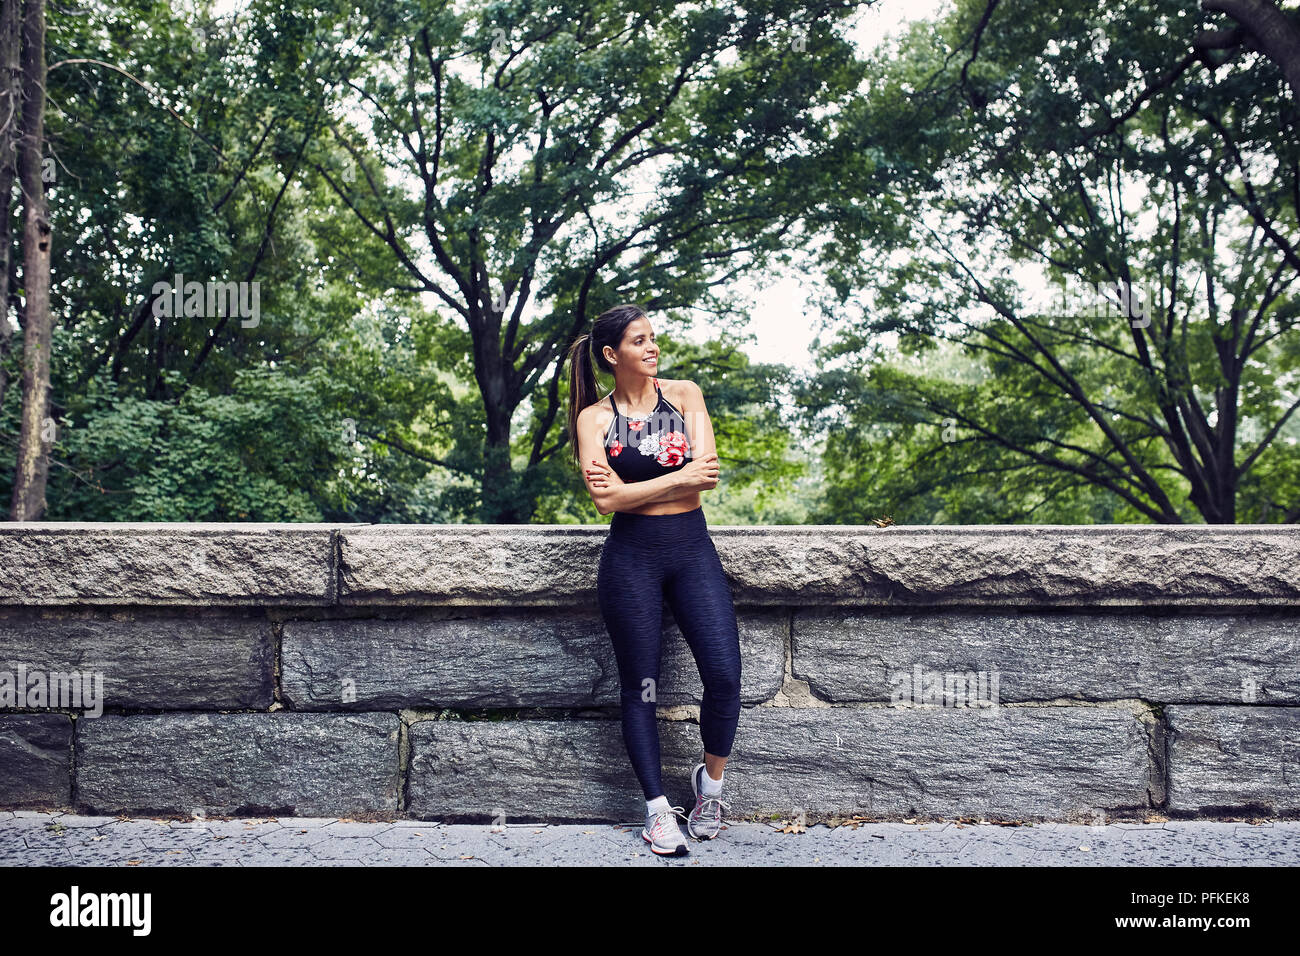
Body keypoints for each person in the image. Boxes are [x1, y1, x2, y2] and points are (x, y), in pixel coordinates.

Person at [564, 303, 742, 857]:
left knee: (725, 674)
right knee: (640, 686)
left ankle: (709, 789)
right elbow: (604, 501)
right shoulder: (595, 418)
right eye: (639, 342)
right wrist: (677, 475)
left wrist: (635, 488)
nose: (652, 348)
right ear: (613, 355)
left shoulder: (684, 395)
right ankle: (657, 811)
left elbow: (706, 477)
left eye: (653, 338)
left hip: (691, 549)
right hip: (631, 558)